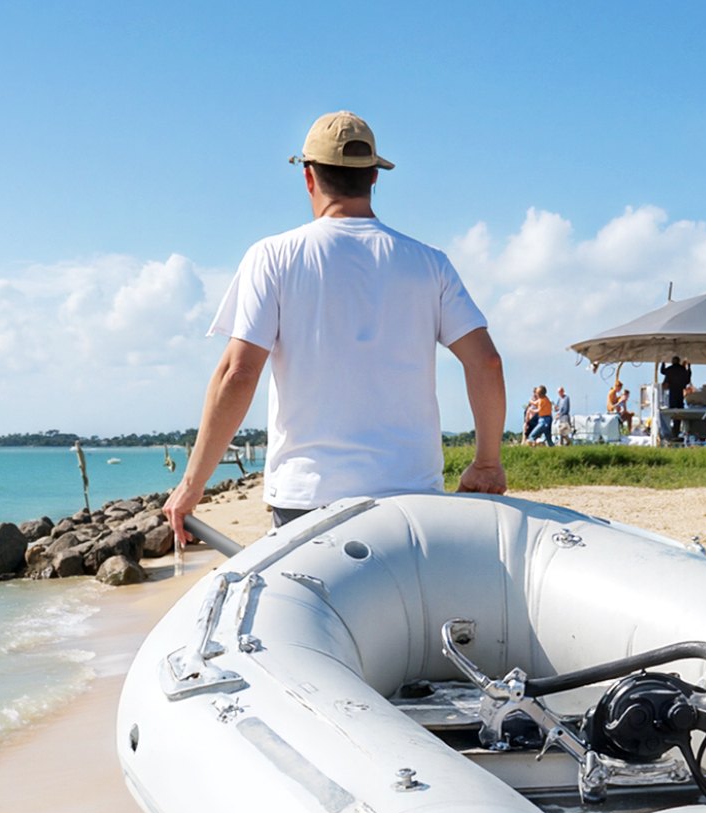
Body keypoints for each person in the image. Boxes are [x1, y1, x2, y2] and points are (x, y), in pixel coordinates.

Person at [164, 110, 506, 541]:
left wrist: (191, 485)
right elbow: (486, 363)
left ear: (308, 177)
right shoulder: (430, 263)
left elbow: (238, 373)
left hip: (309, 499)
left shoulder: (272, 257)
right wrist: (487, 464)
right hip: (413, 498)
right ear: (374, 178)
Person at [660, 352, 691, 439]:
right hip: (680, 392)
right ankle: (676, 430)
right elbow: (687, 379)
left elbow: (662, 371)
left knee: (672, 411)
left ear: (672, 361)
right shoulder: (682, 370)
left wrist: (663, 363)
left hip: (672, 391)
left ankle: (672, 431)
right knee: (680, 411)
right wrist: (689, 367)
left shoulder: (670, 369)